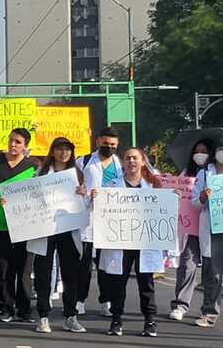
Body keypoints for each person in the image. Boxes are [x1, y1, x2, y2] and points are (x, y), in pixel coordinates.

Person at [94, 147, 162, 337]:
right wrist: (95, 199)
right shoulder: (112, 186)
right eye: (127, 158)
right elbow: (101, 211)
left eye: (135, 158)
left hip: (144, 242)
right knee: (117, 283)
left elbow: (163, 210)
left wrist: (174, 200)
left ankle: (150, 321)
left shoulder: (153, 186)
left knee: (146, 283)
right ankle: (116, 320)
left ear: (142, 161)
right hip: (120, 243)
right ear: (123, 162)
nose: (131, 161)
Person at [30, 138, 90, 334]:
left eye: (68, 150)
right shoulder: (41, 174)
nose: (64, 153)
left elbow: (87, 205)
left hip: (68, 229)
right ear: (53, 152)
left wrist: (84, 194)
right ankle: (43, 316)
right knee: (43, 273)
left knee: (70, 273)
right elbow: (28, 199)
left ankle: (70, 316)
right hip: (46, 229)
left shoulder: (78, 175)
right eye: (60, 149)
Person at [0, 129, 40, 323]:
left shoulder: (32, 167)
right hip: (0, 224)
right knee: (3, 266)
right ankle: (6, 307)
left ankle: (24, 309)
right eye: (11, 140)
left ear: (26, 145)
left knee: (24, 268)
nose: (13, 145)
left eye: (18, 142)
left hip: (25, 224)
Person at [80, 126, 121, 317]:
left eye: (113, 144)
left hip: (111, 223)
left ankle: (106, 300)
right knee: (85, 265)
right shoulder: (84, 162)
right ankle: (79, 300)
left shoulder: (121, 164)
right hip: (88, 221)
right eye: (105, 143)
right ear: (98, 142)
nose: (109, 147)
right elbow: (73, 188)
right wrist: (88, 194)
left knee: (107, 265)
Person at [170, 139, 213, 322]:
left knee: (212, 270)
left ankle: (209, 309)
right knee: (188, 264)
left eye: (204, 150)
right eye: (197, 150)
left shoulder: (214, 174)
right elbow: (175, 191)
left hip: (210, 226)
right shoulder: (186, 173)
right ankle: (180, 304)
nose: (200, 154)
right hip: (190, 226)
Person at [192, 143, 223, 328]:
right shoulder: (204, 174)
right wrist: (203, 197)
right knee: (213, 274)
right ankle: (209, 312)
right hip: (213, 229)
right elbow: (196, 203)